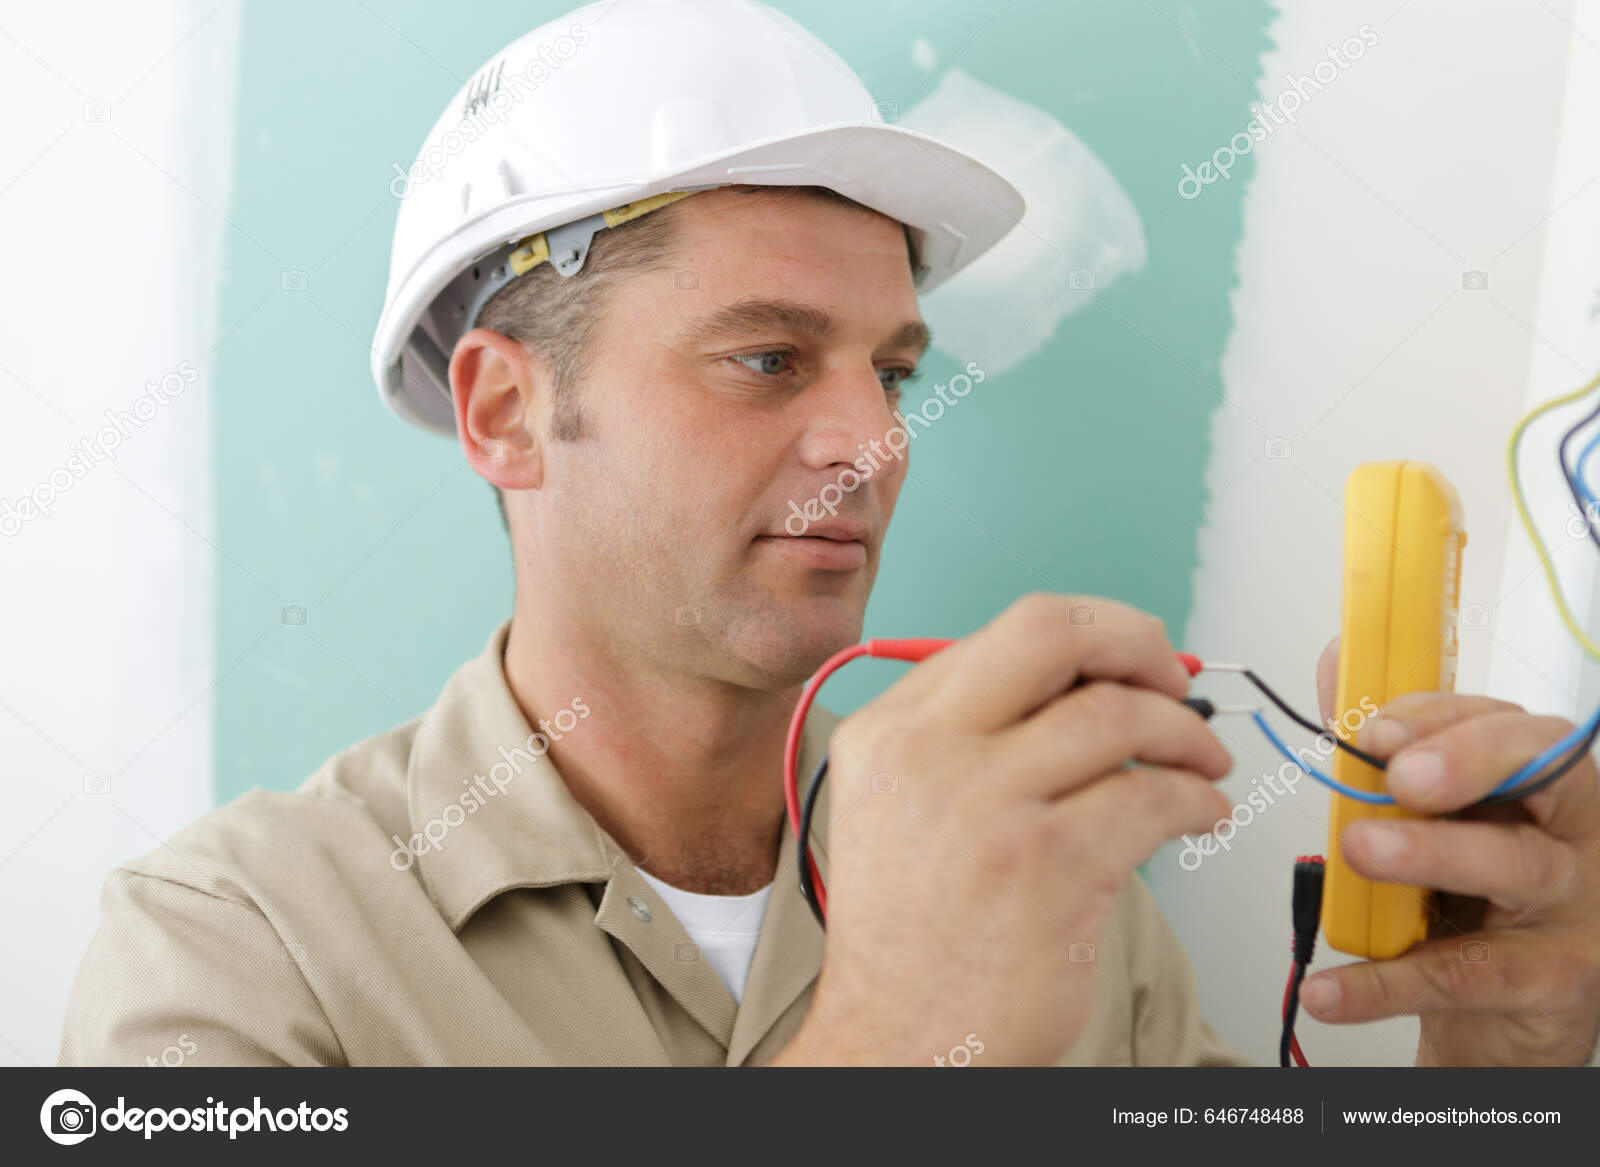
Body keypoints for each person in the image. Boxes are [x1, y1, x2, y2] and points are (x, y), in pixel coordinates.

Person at [60, 0, 1600, 1067]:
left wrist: (1501, 1071)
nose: (874, 442)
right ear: (507, 414)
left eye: (896, 372)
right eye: (767, 358)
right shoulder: (236, 952)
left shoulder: (1049, 873)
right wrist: (888, 1045)